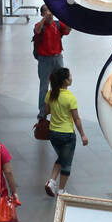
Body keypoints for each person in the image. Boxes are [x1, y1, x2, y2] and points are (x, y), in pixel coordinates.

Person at [44, 67, 88, 197]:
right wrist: (83, 135)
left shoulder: (50, 94)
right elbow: (76, 118)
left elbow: (47, 111)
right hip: (67, 135)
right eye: (70, 77)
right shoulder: (70, 98)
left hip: (53, 133)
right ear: (65, 81)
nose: (71, 78)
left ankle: (51, 181)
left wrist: (56, 109)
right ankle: (61, 191)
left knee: (62, 157)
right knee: (66, 163)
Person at [34, 5, 71, 121]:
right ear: (42, 14)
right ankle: (42, 111)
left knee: (59, 84)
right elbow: (37, 30)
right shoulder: (40, 25)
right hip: (45, 60)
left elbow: (68, 29)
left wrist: (69, 18)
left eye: (50, 11)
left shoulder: (58, 24)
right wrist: (44, 19)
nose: (49, 13)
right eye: (45, 11)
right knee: (44, 86)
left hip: (58, 57)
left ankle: (59, 108)